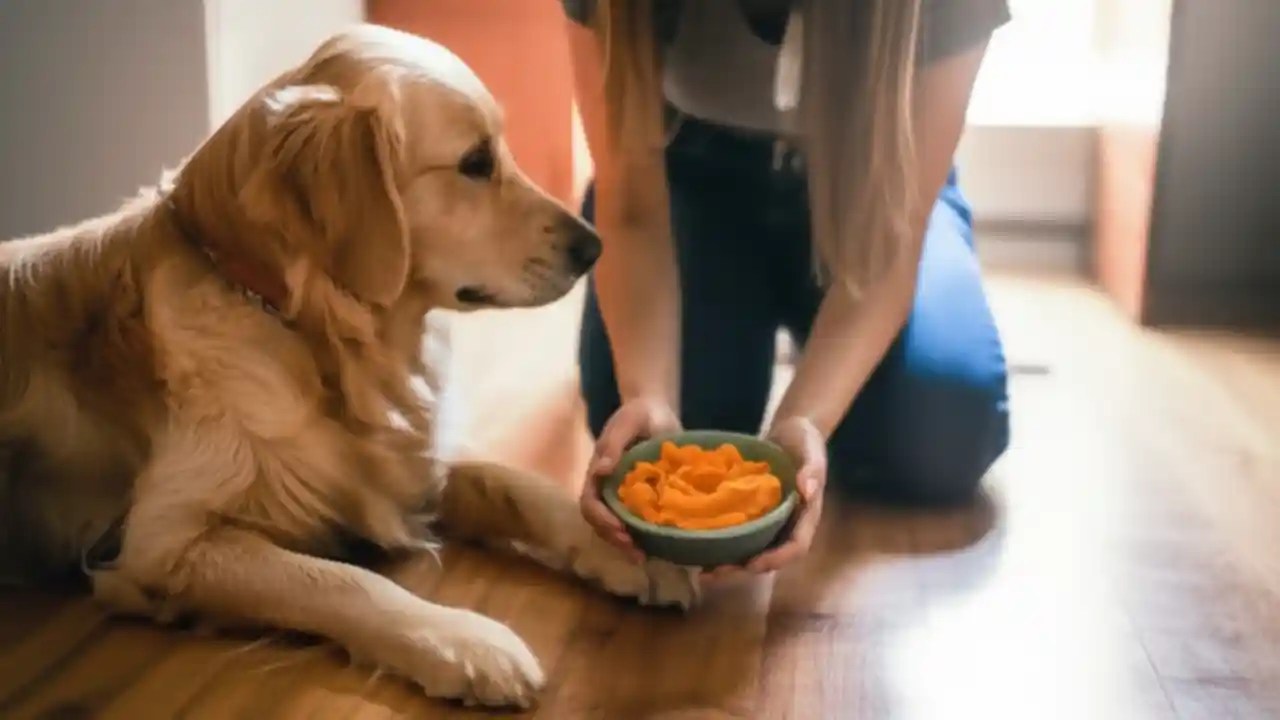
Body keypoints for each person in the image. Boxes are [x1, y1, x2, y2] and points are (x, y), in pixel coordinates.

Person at [563, 0, 1012, 575]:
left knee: (940, 430)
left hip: (877, 187)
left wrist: (805, 423)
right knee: (650, 428)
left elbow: (893, 244)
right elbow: (630, 207)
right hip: (688, 179)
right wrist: (649, 391)